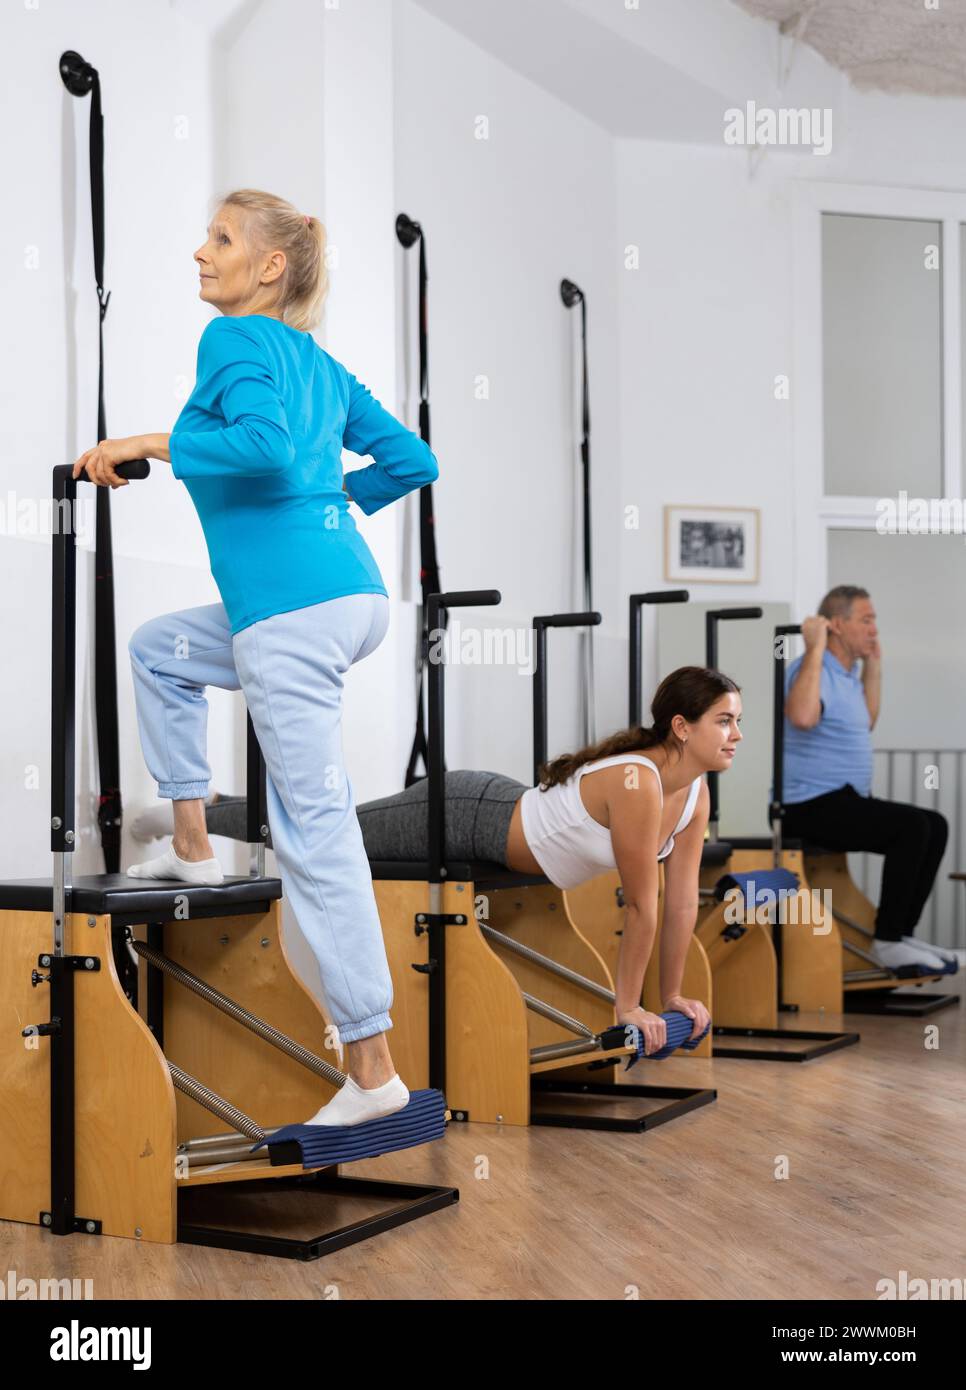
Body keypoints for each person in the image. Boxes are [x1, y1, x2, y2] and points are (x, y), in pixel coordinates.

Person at [71, 188, 438, 1128]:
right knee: (160, 650)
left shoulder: (232, 342)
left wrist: (151, 439)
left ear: (269, 266)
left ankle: (372, 1069)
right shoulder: (316, 361)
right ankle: (192, 842)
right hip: (347, 599)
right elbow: (412, 462)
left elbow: (267, 447)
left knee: (315, 828)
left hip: (291, 611)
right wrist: (332, 504)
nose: (202, 252)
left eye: (221, 239)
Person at [131, 666, 743, 1057]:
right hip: (466, 812)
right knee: (324, 831)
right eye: (724, 720)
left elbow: (682, 901)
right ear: (682, 728)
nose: (735, 733)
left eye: (737, 721)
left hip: (492, 821)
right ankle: (192, 814)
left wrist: (672, 995)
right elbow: (642, 905)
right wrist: (628, 1006)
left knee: (322, 829)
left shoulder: (693, 793)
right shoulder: (636, 782)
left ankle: (206, 809)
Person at [780, 586, 957, 975]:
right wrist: (813, 648)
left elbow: (868, 720)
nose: (875, 628)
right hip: (804, 805)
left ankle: (900, 935)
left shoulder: (848, 674)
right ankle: (888, 940)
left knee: (935, 825)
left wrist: (874, 665)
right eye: (866, 620)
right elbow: (803, 716)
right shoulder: (812, 668)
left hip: (840, 799)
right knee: (910, 827)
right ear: (838, 626)